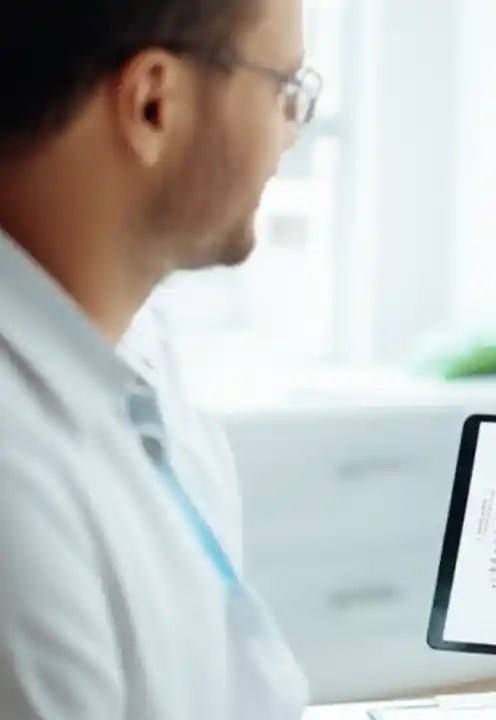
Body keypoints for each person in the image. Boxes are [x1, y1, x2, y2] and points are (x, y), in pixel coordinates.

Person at [0, 0, 322, 717]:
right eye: (284, 88)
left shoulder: (136, 370)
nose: (290, 134)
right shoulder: (17, 481)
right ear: (153, 103)